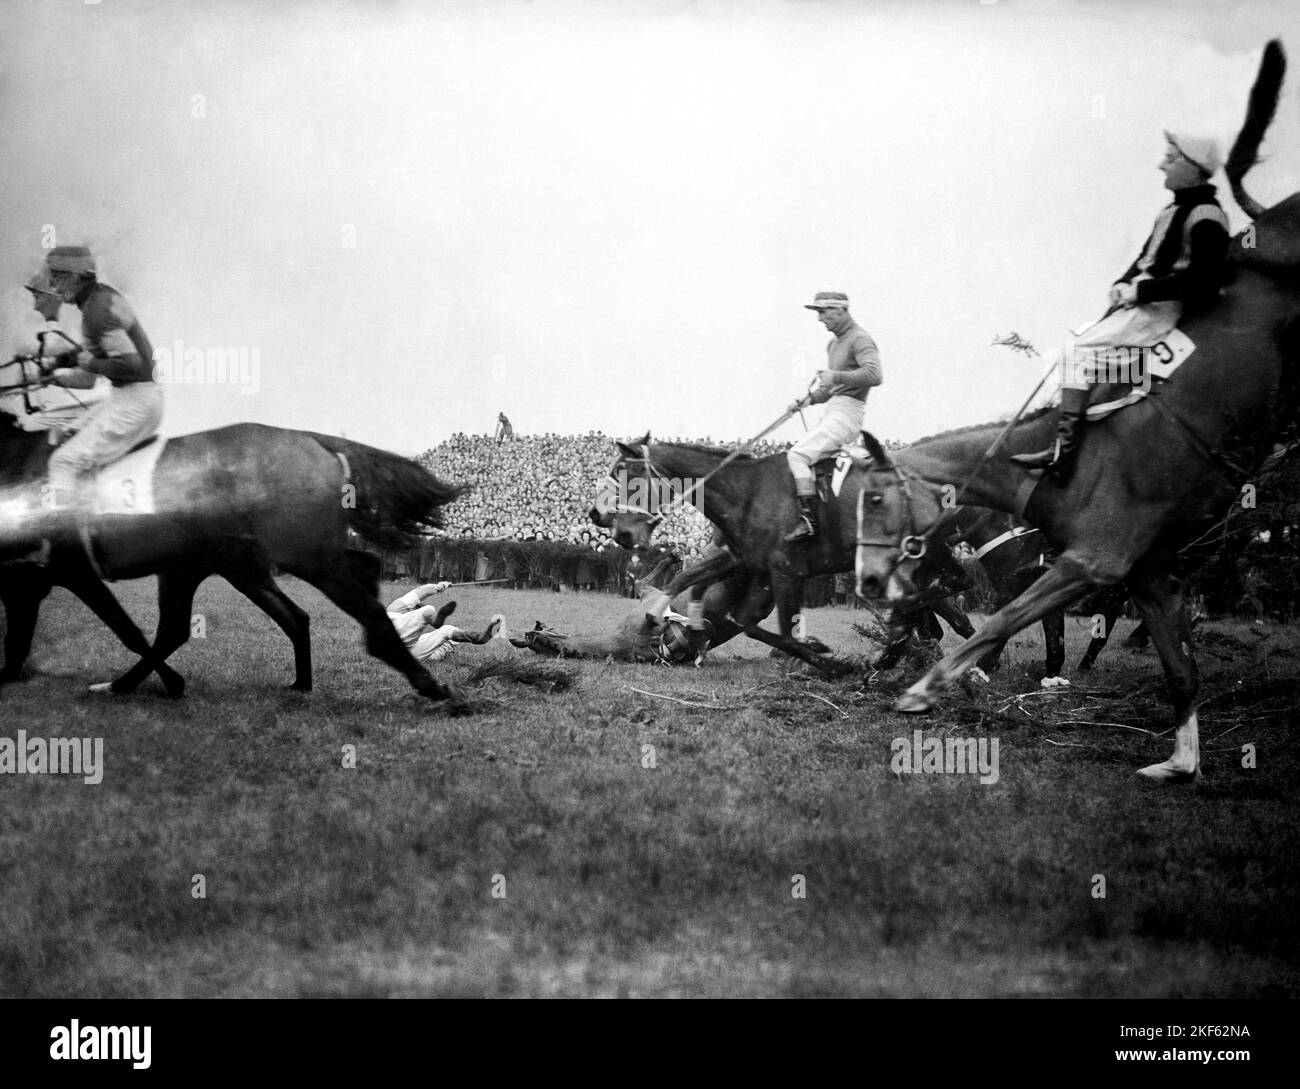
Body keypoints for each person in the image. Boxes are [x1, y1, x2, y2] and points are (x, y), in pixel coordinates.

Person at [1011, 132, 1231, 479]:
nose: (1162, 165)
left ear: (1194, 167)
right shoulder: (1173, 210)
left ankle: (1064, 457)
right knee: (1075, 354)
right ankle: (1070, 442)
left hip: (1161, 311)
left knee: (1075, 354)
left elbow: (1206, 282)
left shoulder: (1206, 215)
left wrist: (1141, 292)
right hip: (1140, 307)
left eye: (1171, 158)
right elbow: (1146, 259)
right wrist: (1121, 284)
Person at [24, 245, 164, 561]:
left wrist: (85, 361)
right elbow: (89, 379)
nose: (55, 286)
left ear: (77, 277)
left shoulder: (97, 311)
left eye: (58, 278)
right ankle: (90, 522)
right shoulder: (98, 300)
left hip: (137, 400)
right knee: (62, 435)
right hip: (129, 396)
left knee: (62, 462)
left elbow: (129, 364)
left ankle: (62, 549)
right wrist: (55, 377)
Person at [784, 291, 883, 542]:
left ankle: (808, 520)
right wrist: (806, 401)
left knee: (797, 455)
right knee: (814, 462)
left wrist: (836, 377)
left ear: (840, 310)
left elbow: (874, 375)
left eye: (823, 312)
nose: (820, 319)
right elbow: (829, 390)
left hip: (848, 412)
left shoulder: (860, 339)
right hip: (834, 410)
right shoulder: (833, 344)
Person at [386, 582, 503, 666]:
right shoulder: (395, 609)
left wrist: (440, 586)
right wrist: (439, 587)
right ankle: (473, 638)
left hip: (403, 654)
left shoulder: (395, 609)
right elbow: (421, 591)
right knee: (431, 616)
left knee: (443, 637)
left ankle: (477, 637)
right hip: (398, 642)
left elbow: (421, 592)